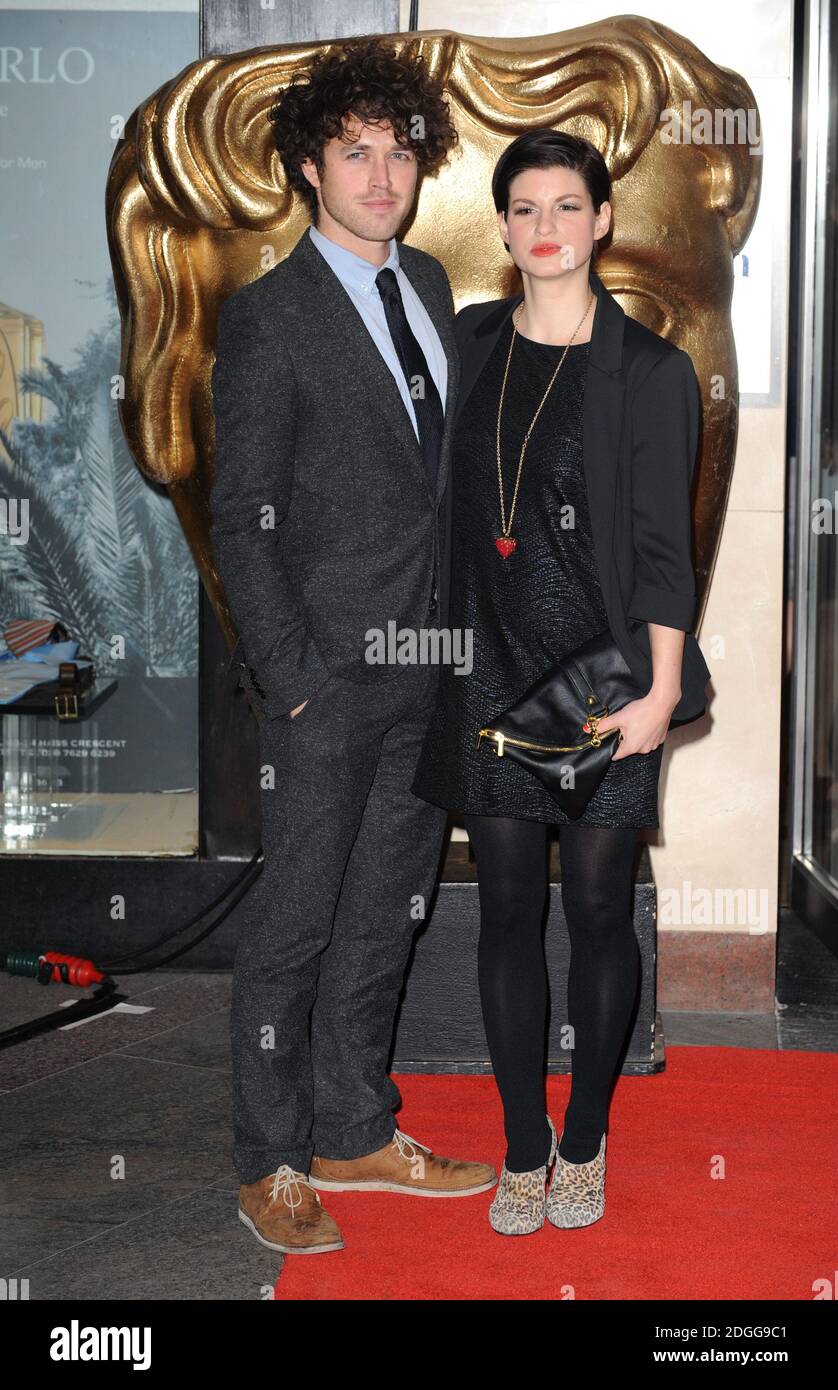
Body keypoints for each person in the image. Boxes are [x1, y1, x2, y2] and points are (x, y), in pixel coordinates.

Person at [210, 38, 496, 1257]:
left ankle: (354, 1125)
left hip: (428, 668)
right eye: (354, 153)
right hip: (326, 681)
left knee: (389, 910)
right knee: (296, 925)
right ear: (310, 169)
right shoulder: (270, 318)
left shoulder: (428, 287)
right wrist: (293, 684)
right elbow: (241, 513)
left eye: (399, 150)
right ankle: (270, 1160)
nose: (381, 175)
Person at [412, 128, 711, 1236]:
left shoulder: (648, 370)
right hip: (488, 667)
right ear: (502, 227)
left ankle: (583, 1140)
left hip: (601, 678)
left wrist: (657, 697)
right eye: (525, 208)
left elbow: (666, 550)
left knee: (593, 911)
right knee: (501, 915)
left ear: (601, 223)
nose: (546, 228)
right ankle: (522, 1146)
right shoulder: (469, 344)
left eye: (567, 207)